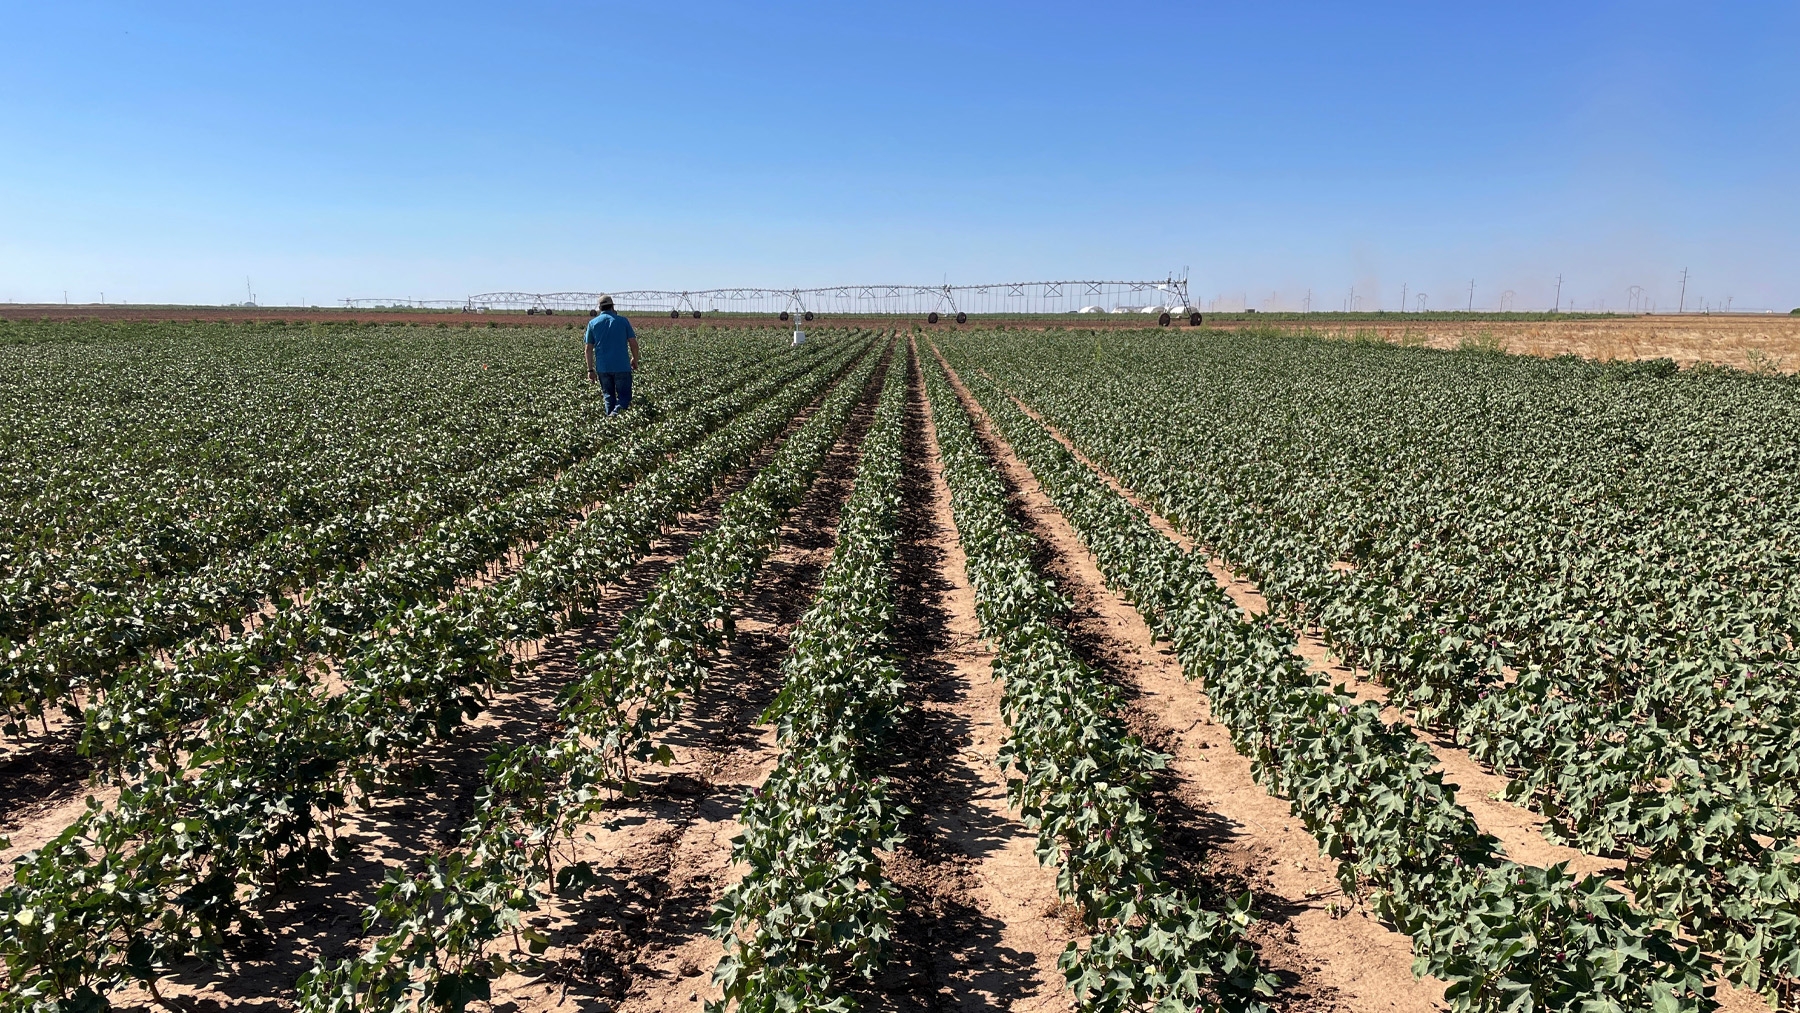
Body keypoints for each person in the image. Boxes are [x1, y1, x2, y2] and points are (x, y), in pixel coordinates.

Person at [584, 294, 639, 416]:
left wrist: (590, 370)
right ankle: (613, 417)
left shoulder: (593, 323)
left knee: (608, 397)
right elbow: (633, 343)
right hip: (622, 366)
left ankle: (610, 428)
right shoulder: (622, 321)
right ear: (612, 307)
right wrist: (635, 359)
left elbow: (588, 348)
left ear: (600, 308)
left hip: (603, 368)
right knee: (625, 397)